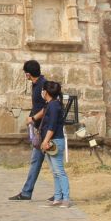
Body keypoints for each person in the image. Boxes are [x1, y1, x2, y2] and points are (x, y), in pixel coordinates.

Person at [9, 60, 48, 201]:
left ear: (28, 74)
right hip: (39, 128)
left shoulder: (43, 85)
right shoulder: (36, 84)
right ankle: (26, 192)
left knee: (55, 165)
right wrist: (32, 117)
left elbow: (49, 106)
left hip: (46, 129)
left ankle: (61, 193)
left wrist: (34, 117)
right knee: (36, 161)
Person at [39, 79, 72, 207]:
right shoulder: (51, 104)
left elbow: (52, 126)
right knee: (55, 172)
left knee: (59, 171)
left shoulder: (53, 106)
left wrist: (45, 141)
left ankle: (66, 198)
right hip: (51, 140)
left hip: (55, 141)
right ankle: (58, 197)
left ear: (46, 92)